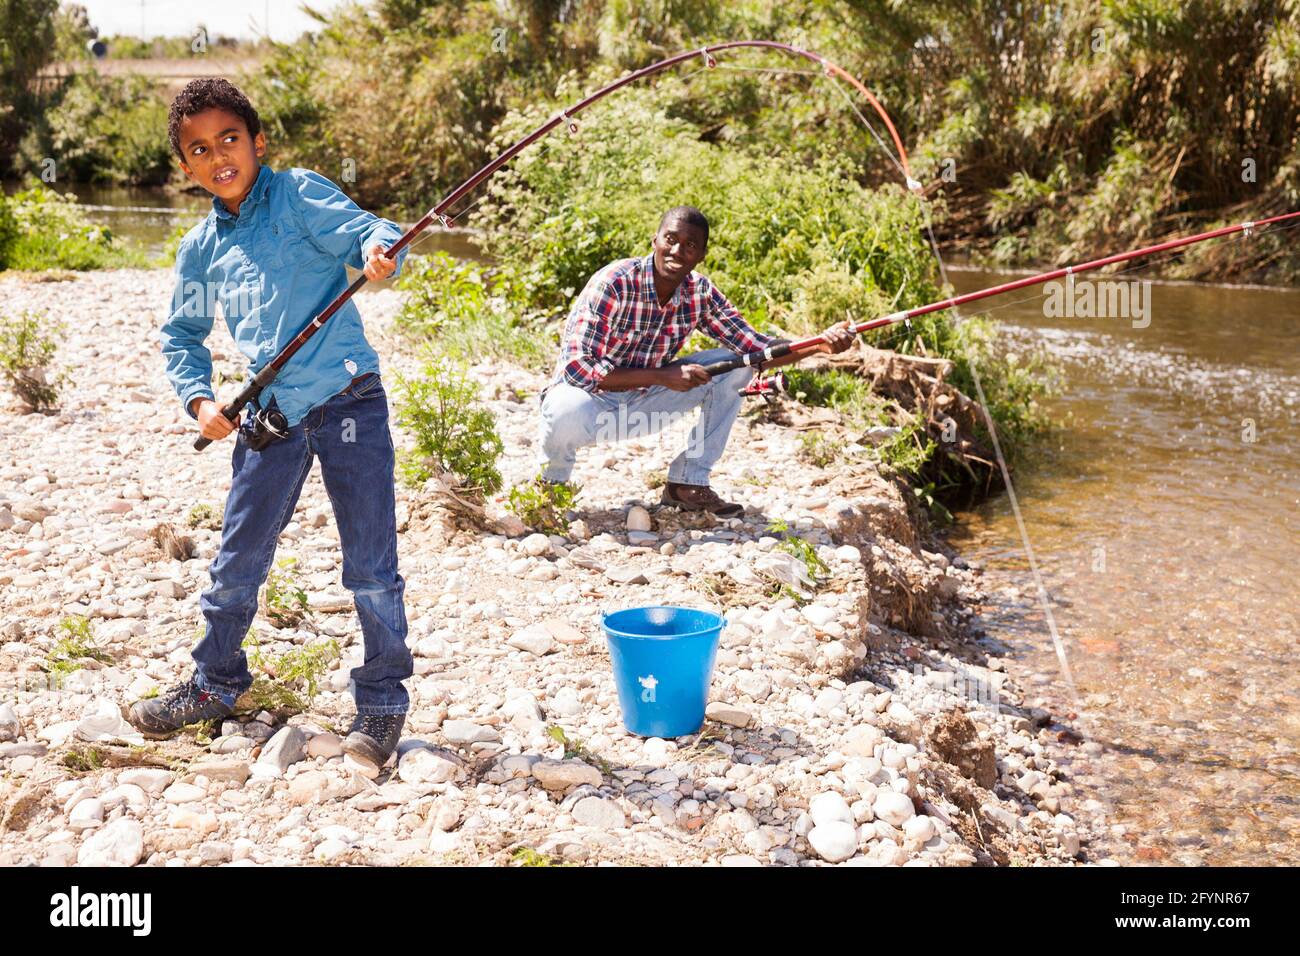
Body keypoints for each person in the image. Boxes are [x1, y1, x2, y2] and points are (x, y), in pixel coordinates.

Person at [128, 77, 413, 770]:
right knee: (234, 565)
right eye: (199, 148)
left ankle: (381, 702)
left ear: (258, 142)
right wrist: (201, 401)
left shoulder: (300, 194)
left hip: (349, 405)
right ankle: (215, 683)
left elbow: (373, 232)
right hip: (269, 418)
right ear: (186, 166)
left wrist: (382, 253)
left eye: (230, 138)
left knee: (371, 568)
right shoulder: (199, 250)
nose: (218, 155)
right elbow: (184, 337)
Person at [537, 205, 855, 516]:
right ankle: (550, 489)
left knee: (739, 363)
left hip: (646, 406)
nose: (677, 251)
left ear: (701, 254)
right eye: (670, 239)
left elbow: (756, 349)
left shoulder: (699, 291)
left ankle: (686, 483)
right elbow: (578, 370)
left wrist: (819, 345)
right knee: (566, 407)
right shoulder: (615, 282)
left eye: (690, 245)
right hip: (590, 406)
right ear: (655, 240)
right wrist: (661, 376)